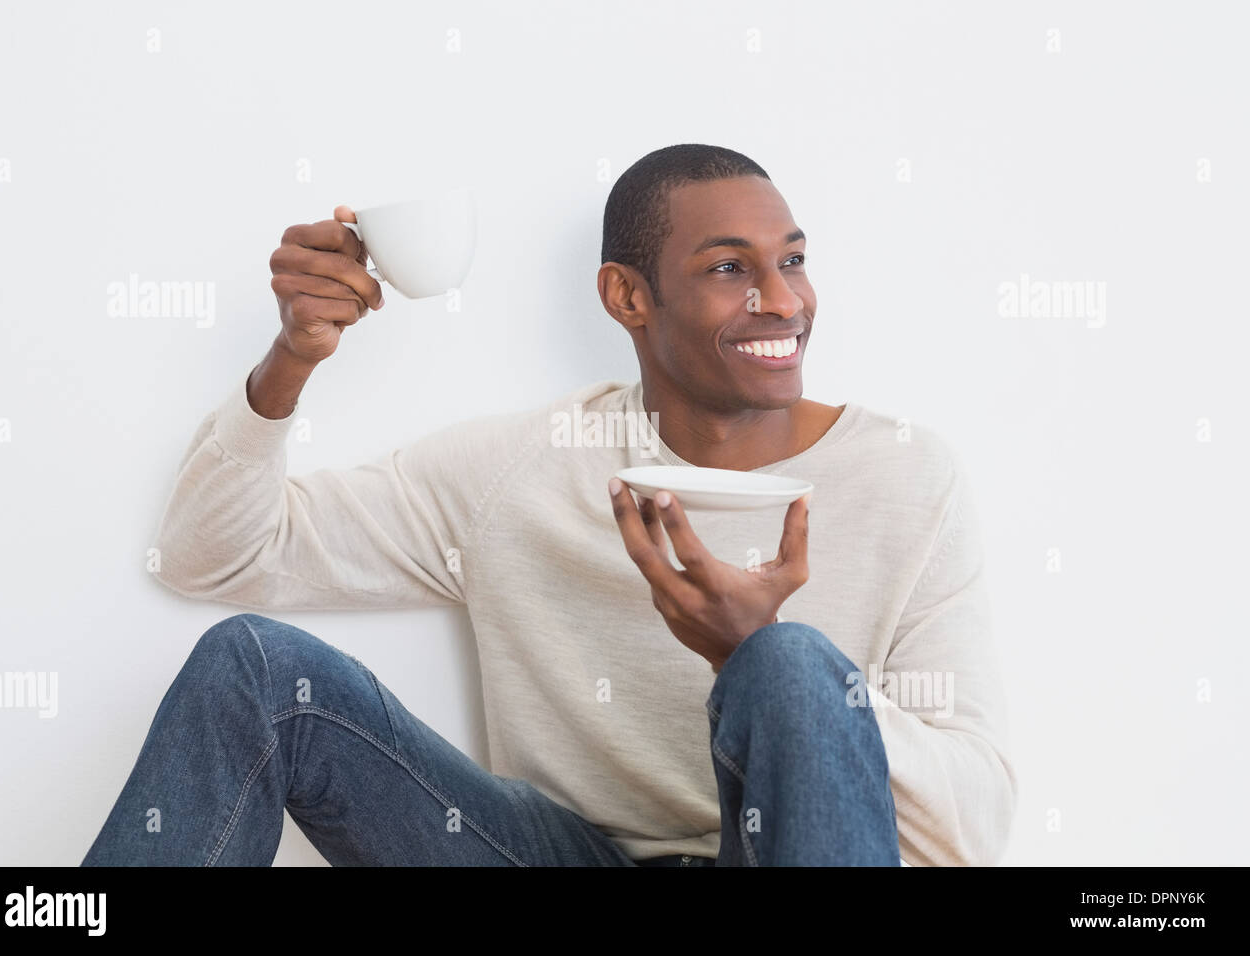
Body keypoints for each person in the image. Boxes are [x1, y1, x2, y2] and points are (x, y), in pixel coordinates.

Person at [81, 143, 1018, 867]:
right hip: (553, 854)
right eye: (730, 268)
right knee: (252, 666)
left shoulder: (906, 476)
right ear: (626, 296)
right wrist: (290, 359)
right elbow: (213, 554)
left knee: (790, 664)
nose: (783, 300)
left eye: (794, 260)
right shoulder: (522, 468)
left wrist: (776, 675)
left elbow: (976, 820)